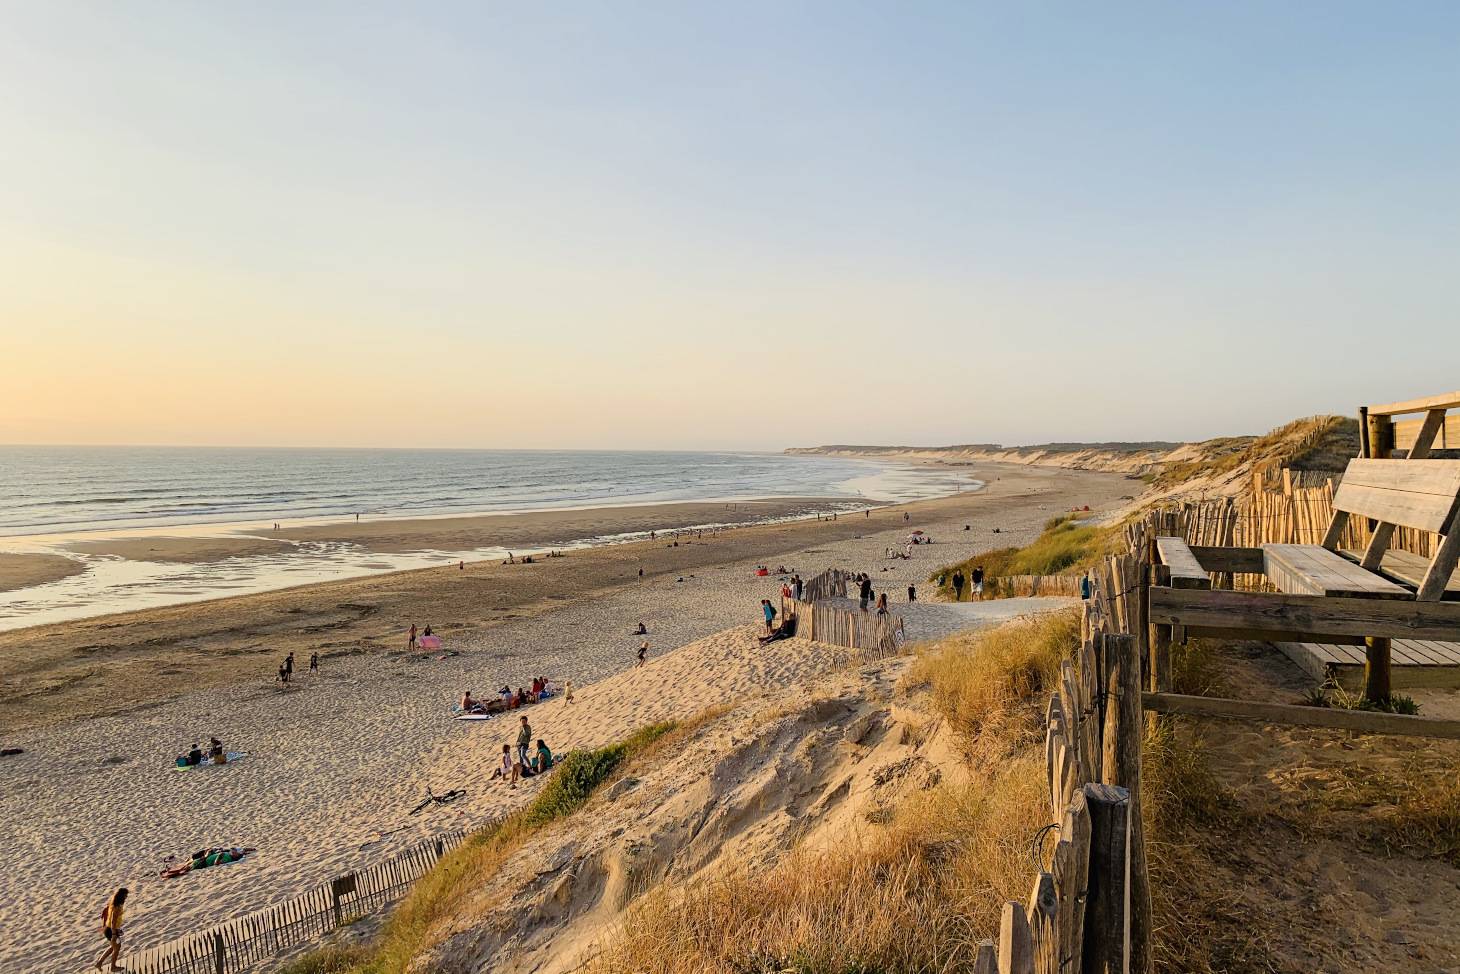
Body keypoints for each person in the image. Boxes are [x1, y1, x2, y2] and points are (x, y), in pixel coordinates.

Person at [93, 887, 128, 972]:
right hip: (111, 930)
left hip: (108, 928)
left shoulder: (112, 902)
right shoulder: (117, 907)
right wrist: (114, 934)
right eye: (125, 895)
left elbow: (106, 912)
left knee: (113, 947)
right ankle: (113, 967)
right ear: (122, 896)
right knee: (117, 948)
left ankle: (99, 963)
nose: (126, 897)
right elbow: (113, 921)